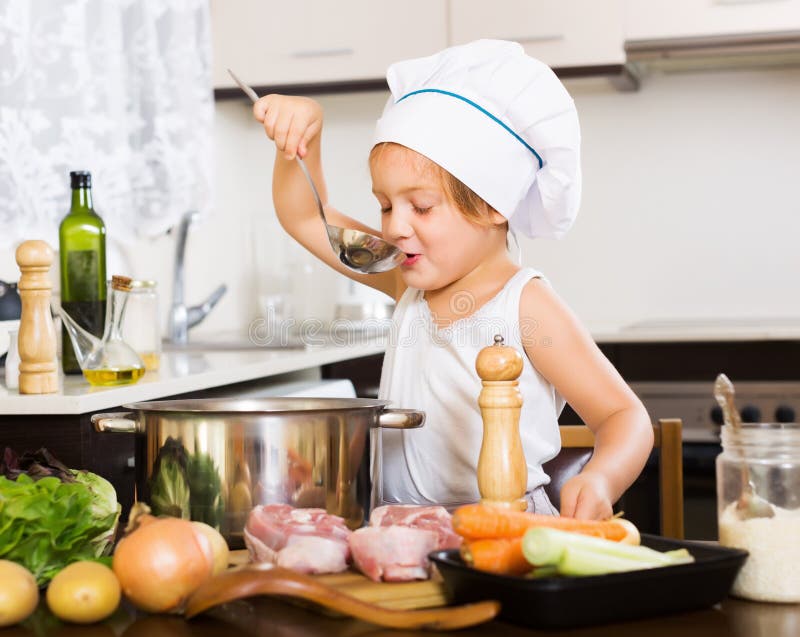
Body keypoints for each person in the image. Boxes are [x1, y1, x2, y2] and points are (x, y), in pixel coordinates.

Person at [253, 39, 653, 520]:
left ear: (491, 205)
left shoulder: (525, 305)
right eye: (385, 205)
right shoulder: (406, 280)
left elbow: (624, 417)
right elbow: (303, 217)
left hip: (508, 533)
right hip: (401, 532)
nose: (394, 226)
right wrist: (305, 138)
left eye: (420, 206)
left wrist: (601, 478)